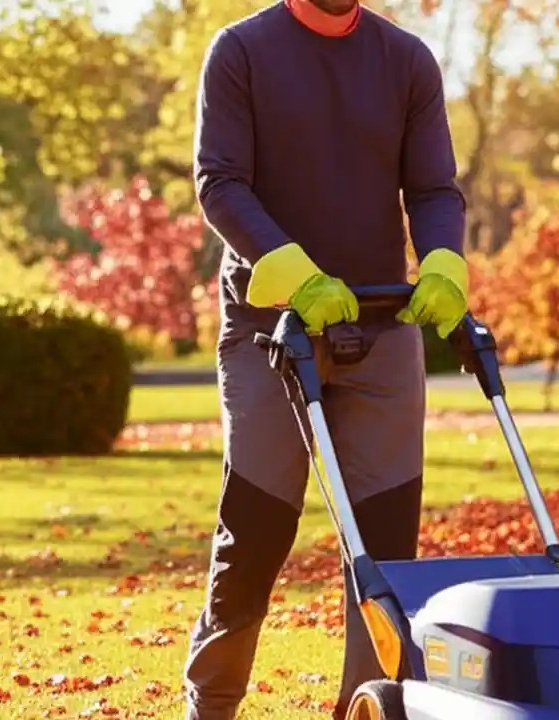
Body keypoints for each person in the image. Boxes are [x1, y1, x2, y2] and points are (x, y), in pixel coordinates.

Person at [183, 0, 467, 717]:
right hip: (268, 329)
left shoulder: (406, 62)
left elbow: (433, 188)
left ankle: (371, 708)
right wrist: (295, 273)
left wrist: (441, 263)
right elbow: (220, 182)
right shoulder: (242, 51)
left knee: (386, 554)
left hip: (380, 330)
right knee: (255, 531)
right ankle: (212, 703)